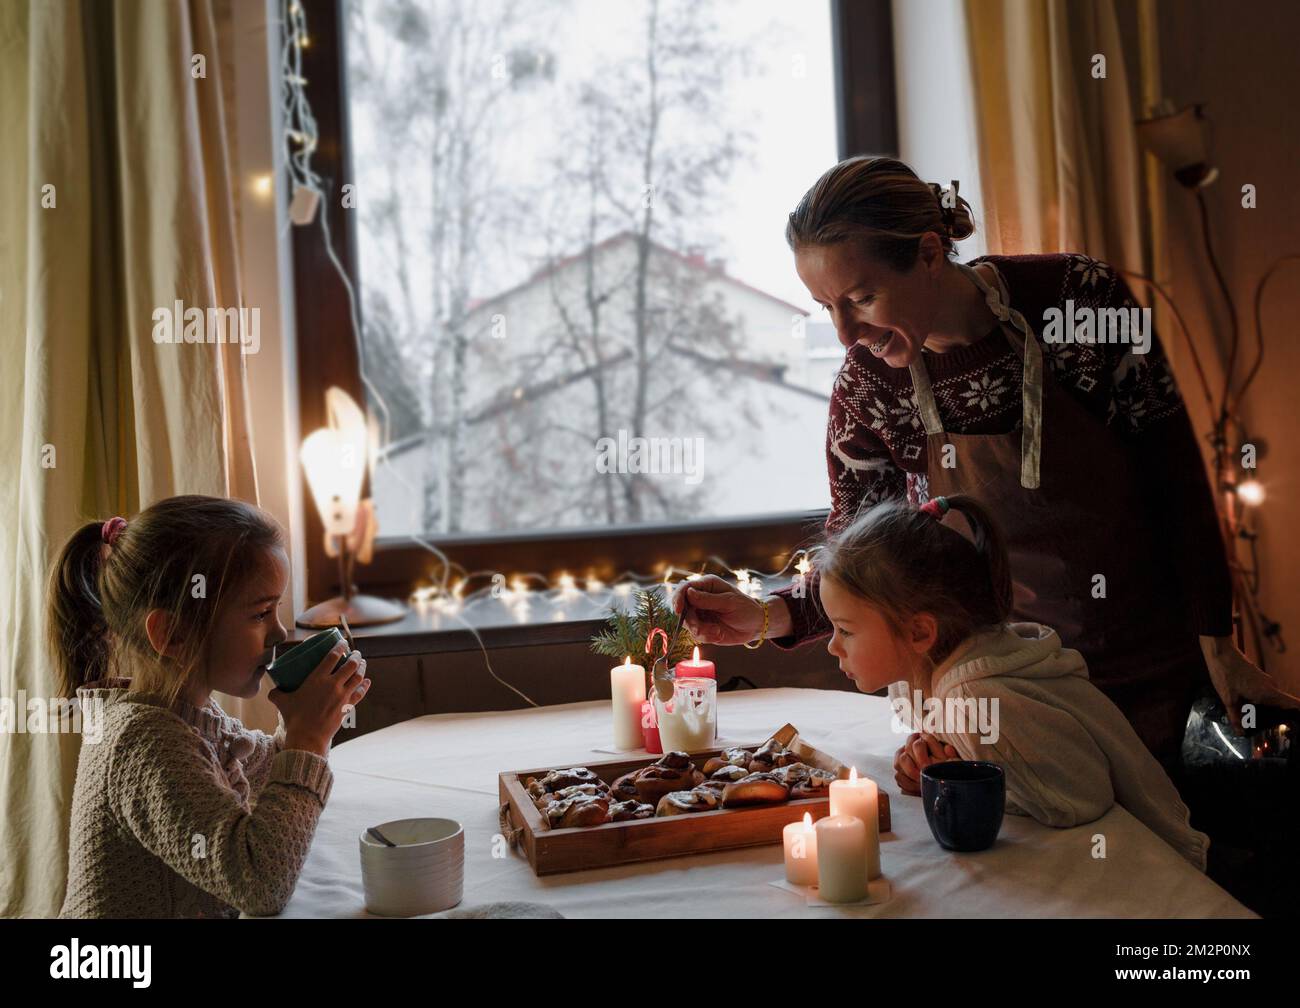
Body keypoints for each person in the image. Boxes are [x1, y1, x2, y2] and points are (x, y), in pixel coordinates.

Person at [675, 155, 1297, 778]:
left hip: (1151, 666)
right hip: (1002, 700)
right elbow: (864, 564)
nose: (844, 333)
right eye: (825, 307)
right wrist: (764, 613)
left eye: (862, 298)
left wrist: (1220, 645)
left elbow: (1177, 480)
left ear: (927, 252)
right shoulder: (868, 389)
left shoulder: (1077, 299)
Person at [816, 492, 1208, 869]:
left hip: (1158, 869)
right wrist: (937, 770)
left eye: (845, 630)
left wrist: (965, 784)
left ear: (920, 633)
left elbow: (1078, 802)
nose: (833, 647)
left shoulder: (975, 697)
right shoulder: (939, 671)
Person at [51, 495, 370, 918]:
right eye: (260, 614)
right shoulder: (144, 742)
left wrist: (309, 725)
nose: (278, 633)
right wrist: (308, 741)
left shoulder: (185, 714)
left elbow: (265, 770)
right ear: (173, 634)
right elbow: (259, 883)